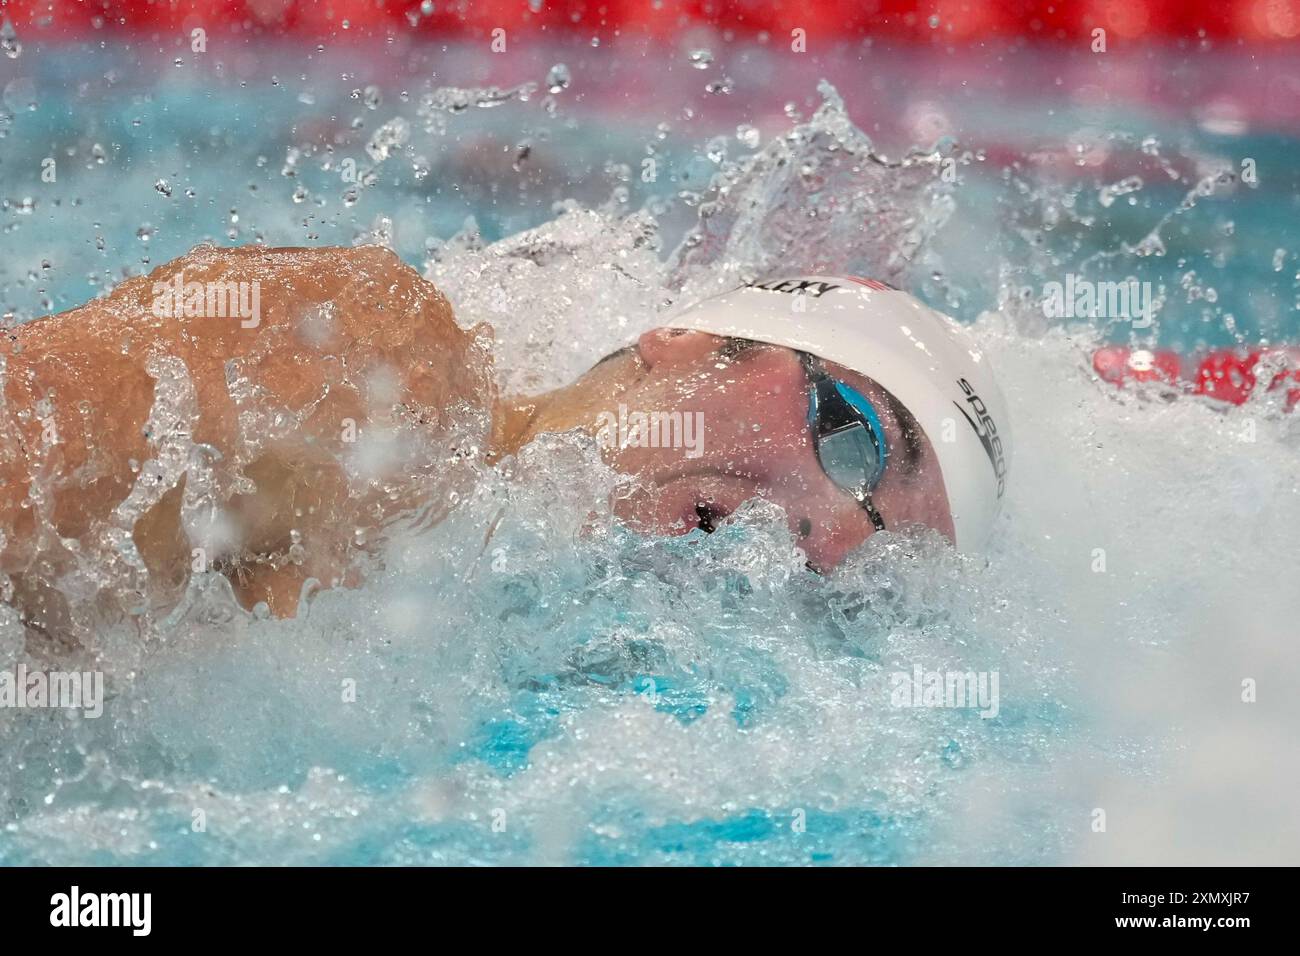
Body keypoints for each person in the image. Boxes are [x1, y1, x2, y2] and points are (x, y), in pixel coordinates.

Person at [0, 245, 1009, 643]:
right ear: (685, 341)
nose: (832, 539)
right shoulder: (386, 364)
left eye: (874, 565)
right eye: (852, 436)